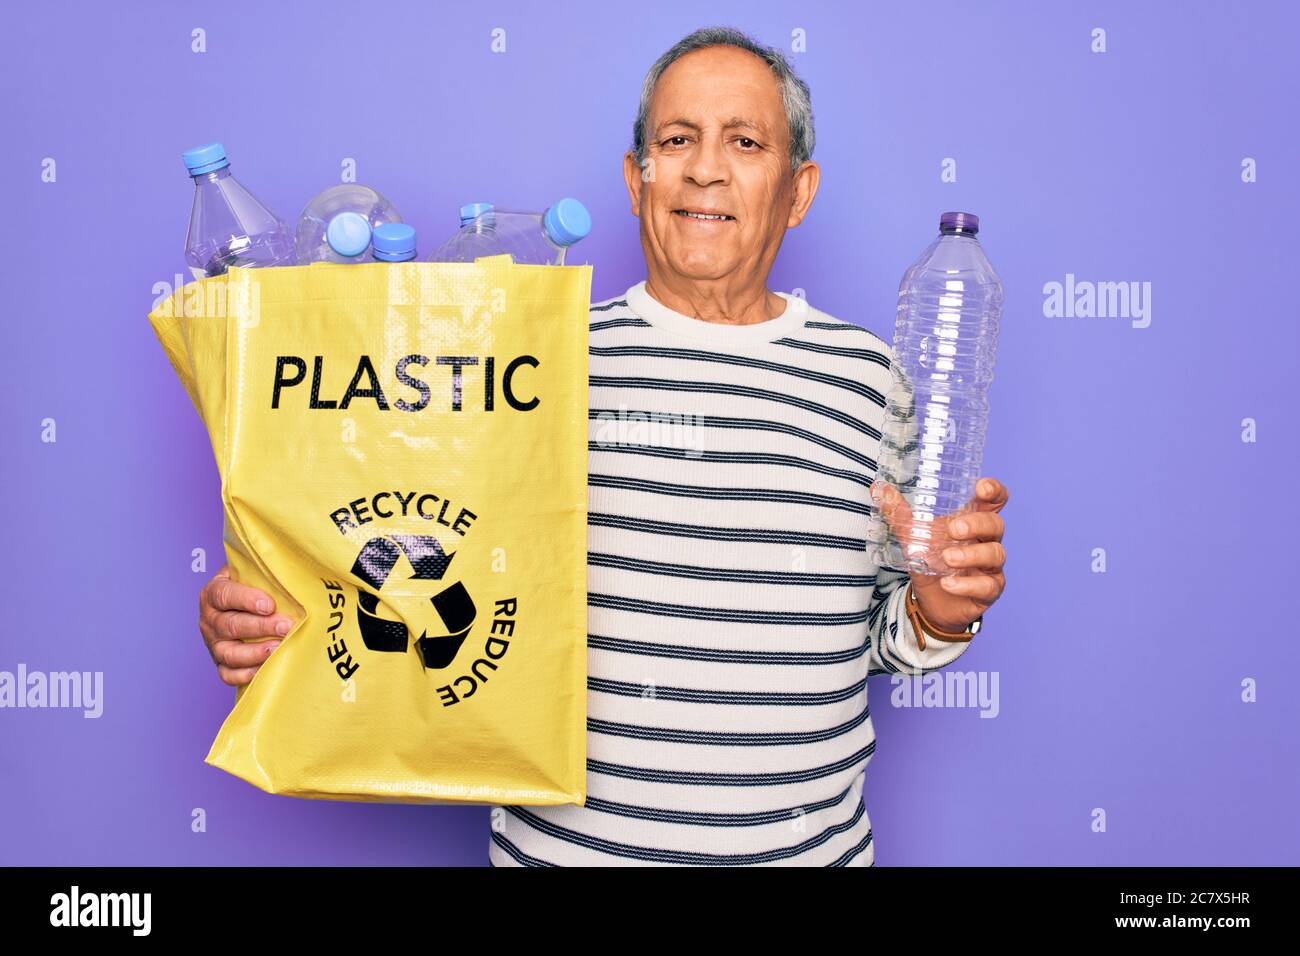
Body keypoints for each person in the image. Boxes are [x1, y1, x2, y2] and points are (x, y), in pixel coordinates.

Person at [196, 25, 1010, 866]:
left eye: (745, 141)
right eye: (676, 140)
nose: (704, 168)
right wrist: (269, 600)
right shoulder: (533, 365)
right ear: (637, 179)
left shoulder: (871, 381)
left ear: (798, 191)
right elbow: (402, 539)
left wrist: (939, 617)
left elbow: (881, 630)